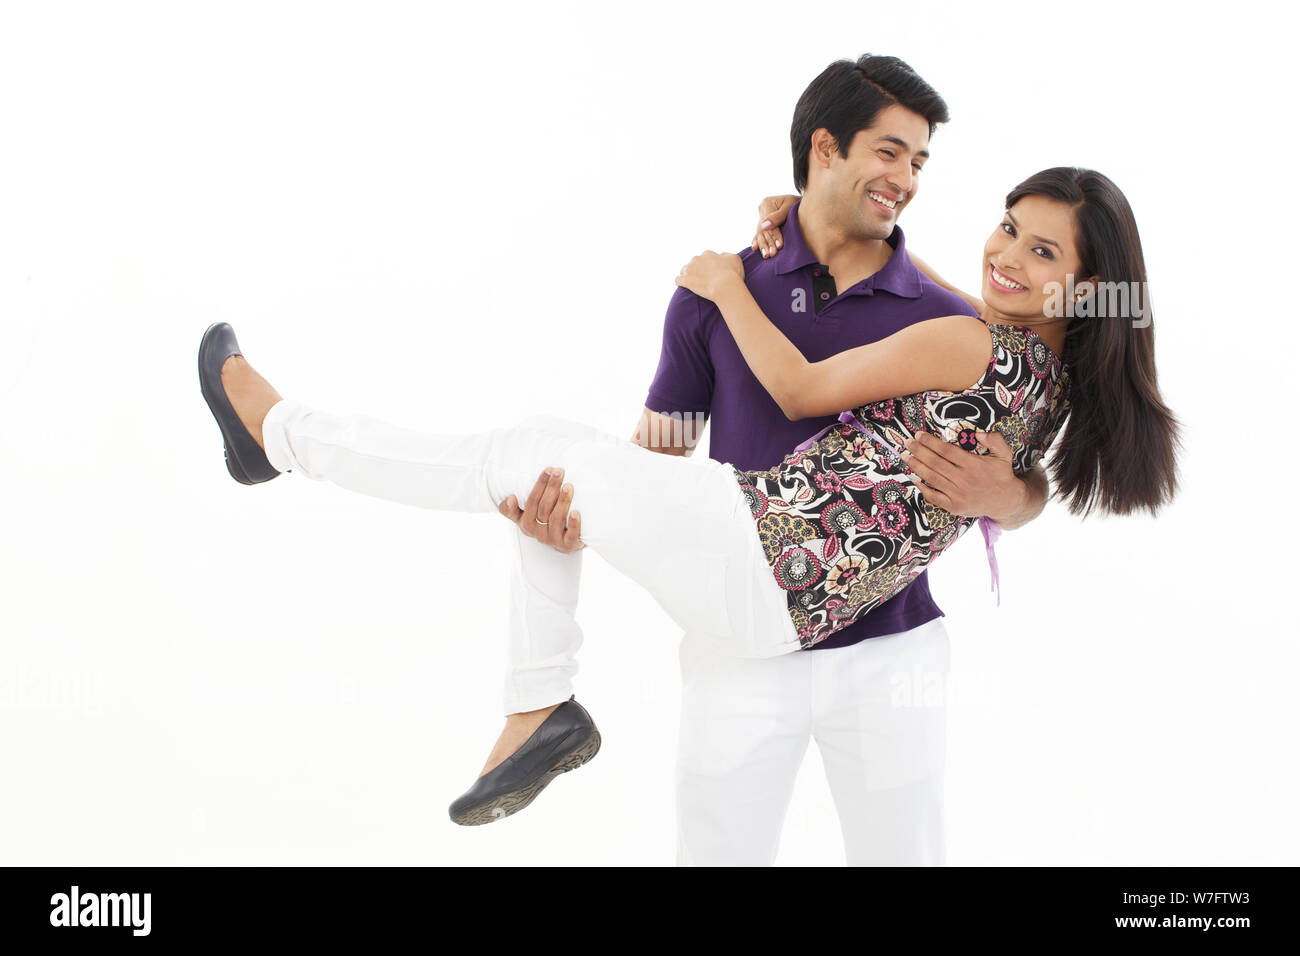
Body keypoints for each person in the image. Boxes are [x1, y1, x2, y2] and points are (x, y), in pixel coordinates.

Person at [198, 161, 1179, 840]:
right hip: (778, 590)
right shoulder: (1049, 378)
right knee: (549, 473)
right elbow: (928, 290)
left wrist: (726, 286)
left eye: (1042, 254)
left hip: (756, 553)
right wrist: (816, 221)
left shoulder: (972, 344)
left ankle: (280, 436)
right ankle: (537, 699)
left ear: (1085, 288)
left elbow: (798, 387)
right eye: (1008, 225)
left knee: (529, 451)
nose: (1005, 254)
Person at [501, 54, 1046, 866]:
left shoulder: (953, 318)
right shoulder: (714, 290)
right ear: (825, 147)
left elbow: (1029, 437)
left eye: (919, 161)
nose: (907, 177)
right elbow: (663, 449)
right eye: (889, 152)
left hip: (891, 652)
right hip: (742, 651)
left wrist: (1013, 495)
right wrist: (584, 508)